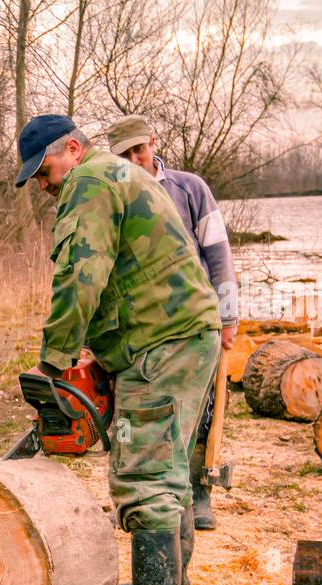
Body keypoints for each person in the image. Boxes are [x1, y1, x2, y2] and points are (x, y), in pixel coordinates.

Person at [15, 114, 221, 585]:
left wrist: (54, 362)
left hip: (164, 341)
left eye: (45, 171)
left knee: (143, 471)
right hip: (175, 335)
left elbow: (81, 274)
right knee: (169, 465)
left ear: (73, 149)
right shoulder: (115, 176)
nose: (44, 185)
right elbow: (120, 276)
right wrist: (101, 349)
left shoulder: (90, 181)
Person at [106, 115, 238, 535]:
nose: (135, 160)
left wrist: (228, 316)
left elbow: (219, 254)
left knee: (200, 410)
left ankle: (199, 490)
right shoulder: (114, 197)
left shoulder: (189, 188)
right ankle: (152, 498)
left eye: (139, 150)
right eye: (124, 155)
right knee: (149, 412)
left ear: (153, 142)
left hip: (196, 317)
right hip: (145, 326)